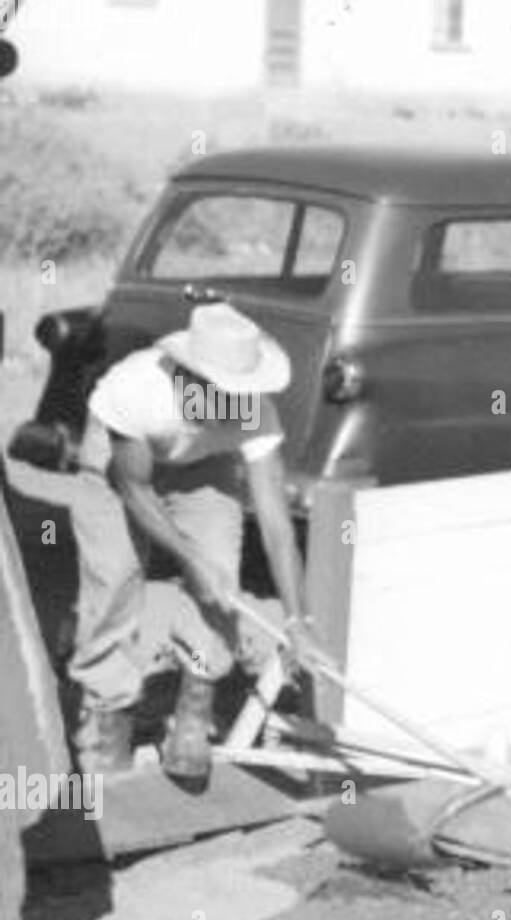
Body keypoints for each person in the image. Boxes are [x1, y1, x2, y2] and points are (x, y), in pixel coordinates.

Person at [69, 303, 324, 792]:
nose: (229, 402)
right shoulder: (136, 390)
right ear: (189, 373)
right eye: (216, 391)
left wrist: (298, 622)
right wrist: (189, 559)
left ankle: (194, 709)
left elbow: (275, 523)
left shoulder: (254, 410)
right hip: (119, 465)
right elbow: (134, 488)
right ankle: (108, 714)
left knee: (221, 578)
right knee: (116, 578)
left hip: (202, 466)